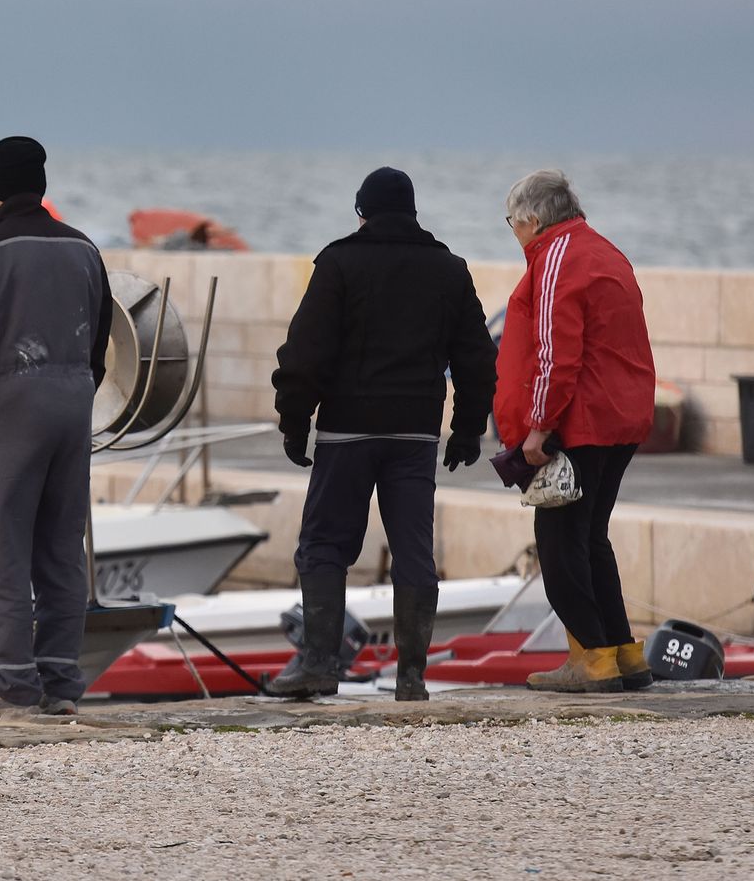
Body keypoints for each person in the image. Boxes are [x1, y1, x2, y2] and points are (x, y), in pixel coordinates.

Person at [268, 167, 497, 701]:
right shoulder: (449, 269)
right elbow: (476, 359)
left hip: (347, 430)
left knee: (324, 546)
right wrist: (466, 429)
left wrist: (294, 420)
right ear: (414, 212)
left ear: (361, 211)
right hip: (416, 434)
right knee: (414, 552)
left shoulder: (339, 262)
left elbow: (305, 352)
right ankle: (412, 678)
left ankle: (320, 666)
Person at [0, 136, 113, 720]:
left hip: (12, 402)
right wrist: (80, 388)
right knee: (63, 546)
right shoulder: (85, 248)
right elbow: (102, 337)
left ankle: (15, 682)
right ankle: (62, 682)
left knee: (6, 545)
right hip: (73, 401)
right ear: (41, 185)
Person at [495, 169, 656, 693]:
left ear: (533, 219)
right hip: (622, 417)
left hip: (583, 420)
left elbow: (554, 352)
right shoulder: (606, 251)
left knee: (560, 541)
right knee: (591, 538)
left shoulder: (556, 258)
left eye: (512, 223)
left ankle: (590, 659)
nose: (513, 233)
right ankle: (623, 653)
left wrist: (537, 427)